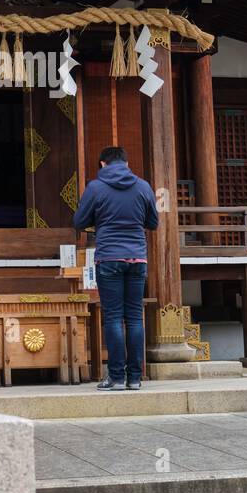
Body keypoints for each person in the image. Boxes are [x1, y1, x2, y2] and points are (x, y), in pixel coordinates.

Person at [72, 146, 158, 391]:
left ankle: (116, 377)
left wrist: (99, 220)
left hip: (109, 257)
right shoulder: (143, 186)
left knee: (112, 318)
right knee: (134, 318)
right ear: (126, 163)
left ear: (102, 164)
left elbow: (79, 221)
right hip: (137, 259)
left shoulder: (96, 187)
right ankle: (135, 378)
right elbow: (153, 222)